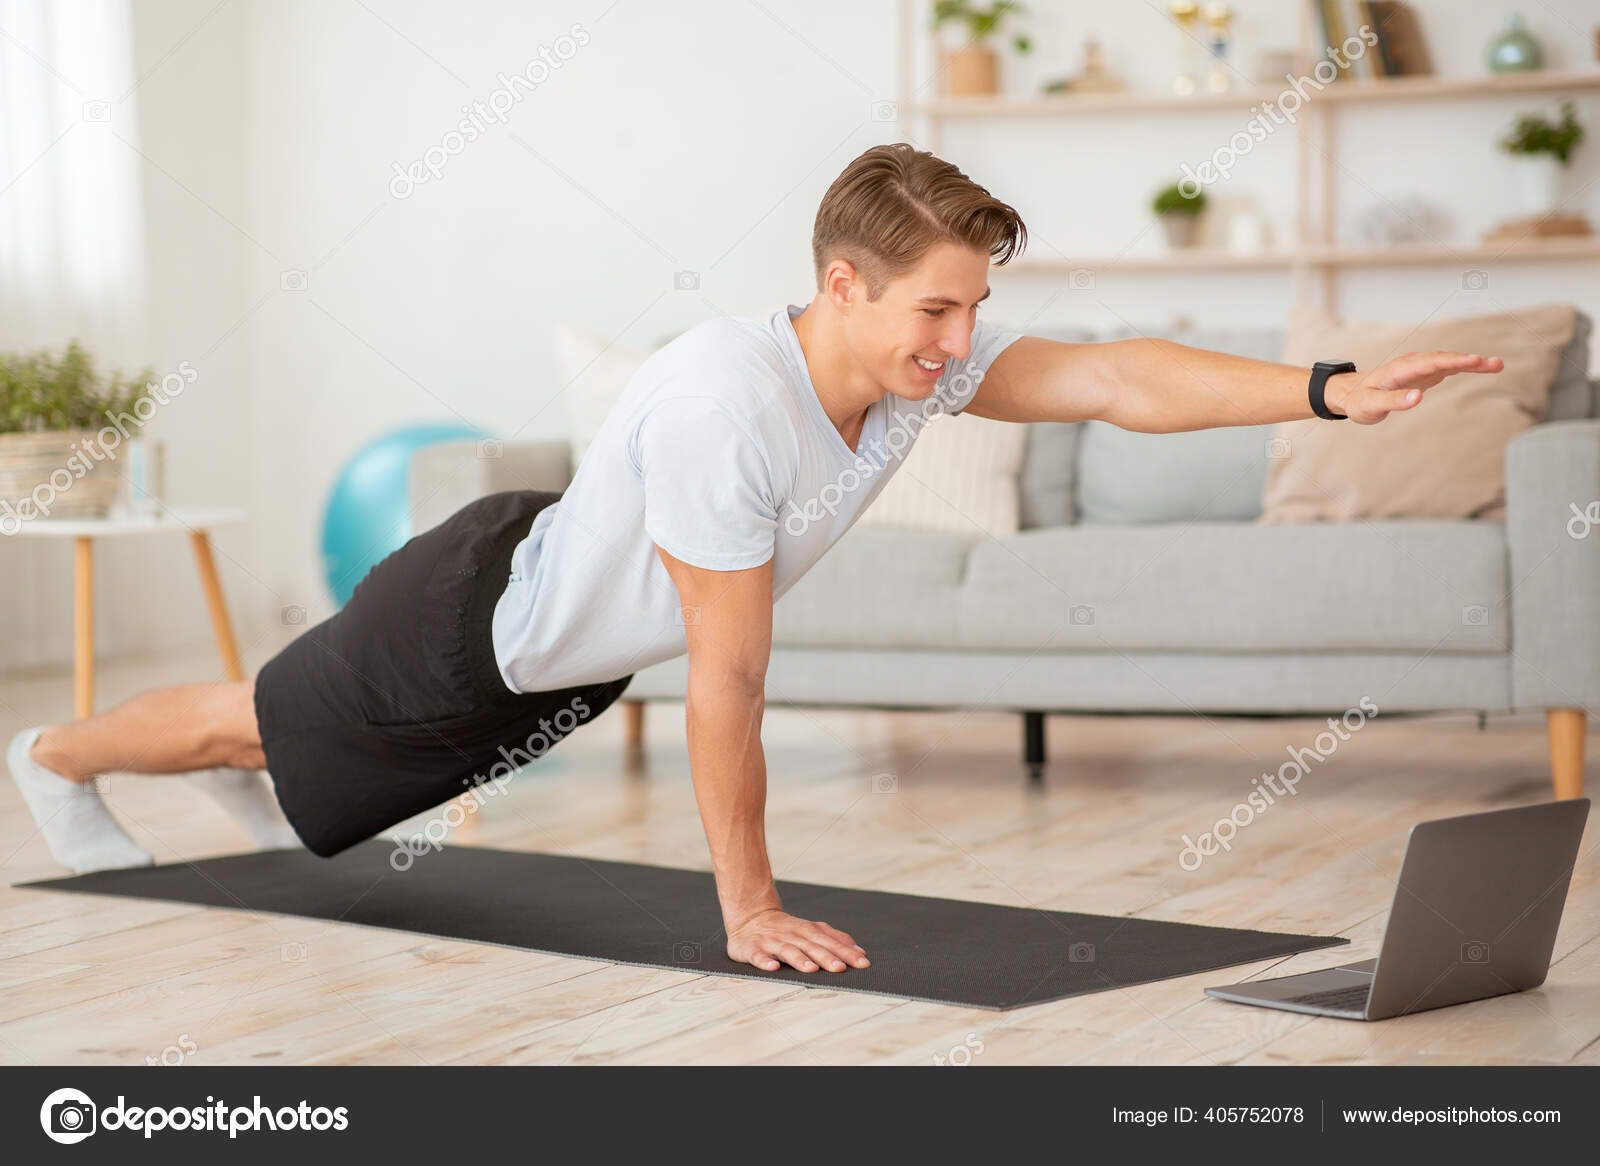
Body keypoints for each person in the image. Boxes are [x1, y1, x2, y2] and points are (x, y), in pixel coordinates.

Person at [7, 142, 1501, 977]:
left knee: (300, 774)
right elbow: (727, 680)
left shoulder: (915, 366)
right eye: (933, 310)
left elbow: (1113, 377)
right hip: (471, 627)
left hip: (563, 650)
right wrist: (747, 906)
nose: (960, 342)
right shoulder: (735, 403)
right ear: (839, 284)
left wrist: (1325, 388)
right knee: (240, 718)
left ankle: (253, 760)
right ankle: (53, 755)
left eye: (974, 309)